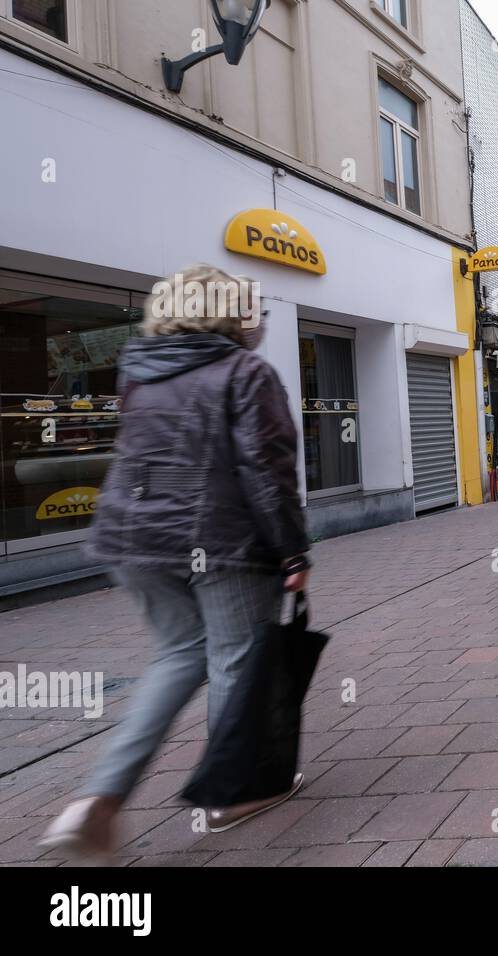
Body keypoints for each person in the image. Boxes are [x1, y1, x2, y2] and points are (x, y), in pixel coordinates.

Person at [39, 264, 311, 859]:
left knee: (179, 655)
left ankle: (97, 800)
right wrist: (293, 550)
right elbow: (266, 471)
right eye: (251, 309)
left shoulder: (139, 375)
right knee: (235, 660)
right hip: (218, 543)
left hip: (131, 543)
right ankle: (230, 794)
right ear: (227, 315)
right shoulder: (245, 373)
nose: (259, 320)